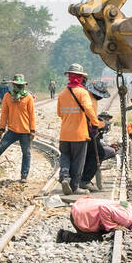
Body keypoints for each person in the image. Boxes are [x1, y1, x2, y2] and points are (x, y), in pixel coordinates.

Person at [57, 63, 101, 194]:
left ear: (69, 76)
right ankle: (74, 187)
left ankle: (64, 177)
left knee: (65, 156)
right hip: (79, 134)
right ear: (81, 77)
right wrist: (95, 124)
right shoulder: (83, 92)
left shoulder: (62, 93)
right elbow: (88, 109)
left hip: (64, 134)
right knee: (78, 161)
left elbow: (59, 113)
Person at [0, 73, 36, 181]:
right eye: (16, 85)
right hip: (12, 130)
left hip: (25, 131)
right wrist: (2, 128)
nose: (18, 87)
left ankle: (24, 176)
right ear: (13, 85)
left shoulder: (28, 98)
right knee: (0, 148)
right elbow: (4, 114)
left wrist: (33, 130)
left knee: (26, 153)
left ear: (23, 86)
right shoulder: (7, 96)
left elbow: (32, 115)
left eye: (20, 85)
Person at [68, 196, 132, 241]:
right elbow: (104, 208)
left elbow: (121, 203)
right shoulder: (127, 219)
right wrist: (112, 226)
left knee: (107, 232)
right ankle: (64, 236)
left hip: (84, 205)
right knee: (97, 238)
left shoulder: (130, 208)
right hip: (81, 215)